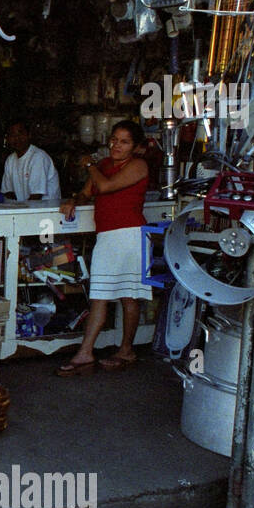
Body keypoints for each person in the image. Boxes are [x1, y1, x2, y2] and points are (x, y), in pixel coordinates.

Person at [56, 119, 151, 375]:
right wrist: (73, 200)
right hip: (107, 237)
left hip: (130, 235)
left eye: (124, 142)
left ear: (135, 147)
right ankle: (86, 353)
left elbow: (106, 186)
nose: (116, 145)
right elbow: (88, 192)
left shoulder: (138, 166)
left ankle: (126, 350)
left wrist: (89, 165)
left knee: (128, 296)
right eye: (114, 139)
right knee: (99, 294)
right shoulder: (104, 165)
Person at [1, 120, 61, 202]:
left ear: (29, 135)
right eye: (12, 135)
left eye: (20, 133)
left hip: (45, 211)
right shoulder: (10, 160)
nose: (17, 138)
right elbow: (8, 192)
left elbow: (36, 197)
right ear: (7, 139)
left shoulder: (38, 157)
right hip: (26, 210)